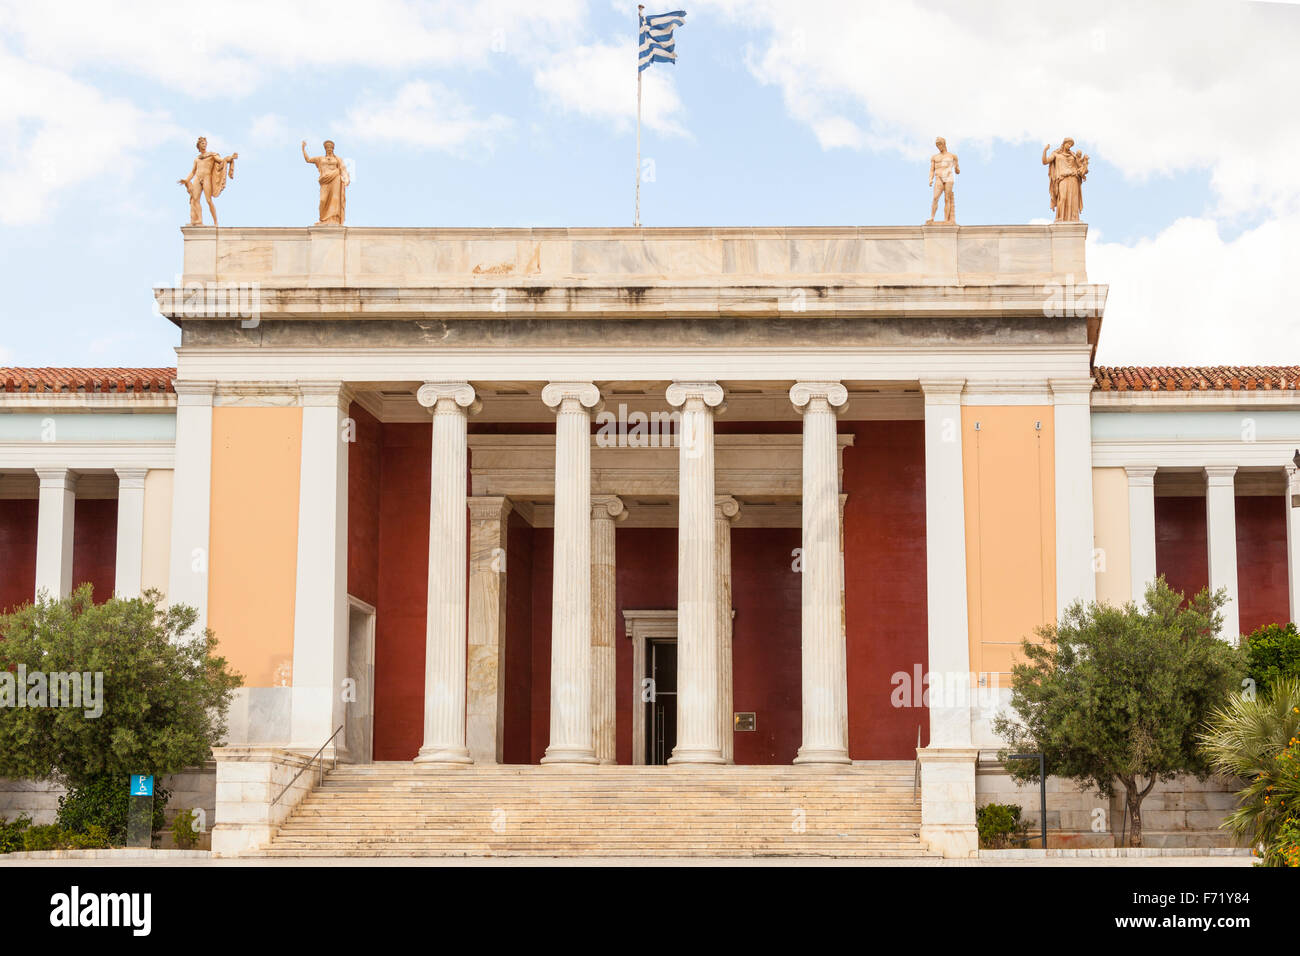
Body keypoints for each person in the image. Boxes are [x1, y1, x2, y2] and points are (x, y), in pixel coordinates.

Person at [178, 137, 237, 226]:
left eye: (205, 143)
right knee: (195, 199)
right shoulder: (197, 159)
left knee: (208, 200)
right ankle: (199, 221)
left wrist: (231, 158)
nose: (204, 144)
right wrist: (186, 180)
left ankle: (215, 221)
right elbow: (193, 171)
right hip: (197, 178)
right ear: (198, 146)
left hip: (206, 177)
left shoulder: (211, 155)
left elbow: (222, 160)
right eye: (202, 143)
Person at [303, 139, 349, 225]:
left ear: (333, 149)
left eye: (331, 147)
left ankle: (334, 219)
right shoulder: (320, 159)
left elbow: (343, 169)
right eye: (327, 147)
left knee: (335, 200)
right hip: (324, 181)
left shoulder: (337, 159)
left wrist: (346, 179)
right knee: (323, 200)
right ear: (325, 149)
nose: (329, 149)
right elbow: (308, 160)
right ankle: (323, 220)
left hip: (336, 178)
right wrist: (303, 149)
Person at [1042, 138, 1089, 222]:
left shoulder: (1073, 156)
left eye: (1071, 145)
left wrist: (1085, 162)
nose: (1069, 146)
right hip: (1062, 178)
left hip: (1073, 178)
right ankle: (1060, 218)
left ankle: (1074, 218)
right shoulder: (1056, 154)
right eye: (1068, 143)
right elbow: (1045, 161)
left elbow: (1080, 167)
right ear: (1064, 143)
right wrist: (1045, 150)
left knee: (1073, 199)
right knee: (1063, 198)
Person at [927, 137, 959, 225]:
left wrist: (956, 168)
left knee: (947, 198)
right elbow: (932, 169)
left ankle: (946, 220)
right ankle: (932, 217)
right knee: (935, 197)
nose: (938, 147)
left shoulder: (952, 156)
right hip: (939, 177)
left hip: (948, 177)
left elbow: (957, 170)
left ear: (944, 144)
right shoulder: (934, 157)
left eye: (940, 144)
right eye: (937, 145)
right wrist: (930, 178)